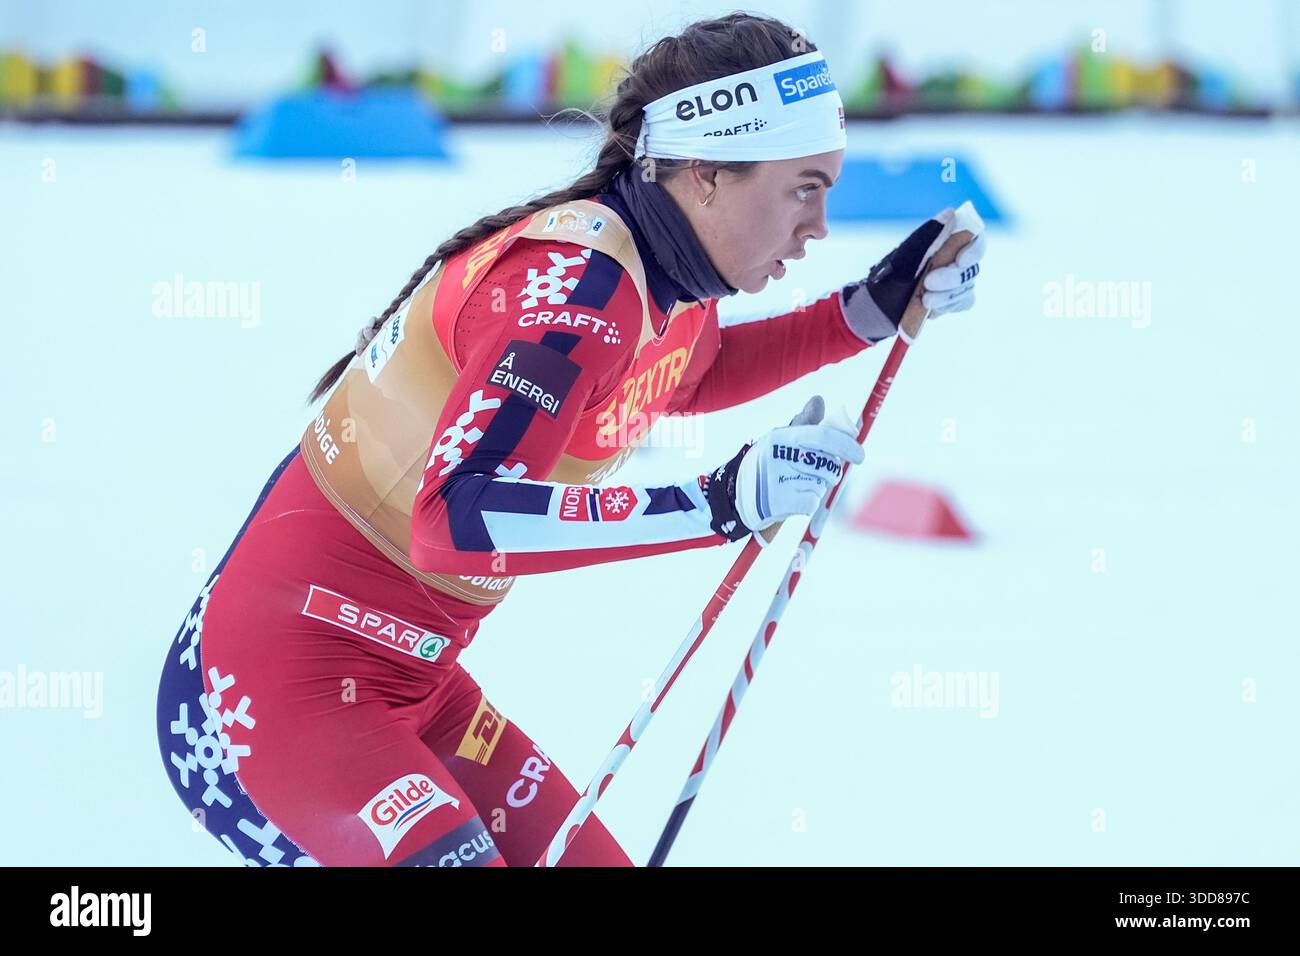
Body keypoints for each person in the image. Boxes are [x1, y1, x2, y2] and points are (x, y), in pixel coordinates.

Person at [155, 12, 986, 867]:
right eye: (803, 187)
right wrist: (721, 502)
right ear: (705, 174)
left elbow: (684, 376)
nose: (818, 225)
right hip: (267, 687)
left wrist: (869, 311)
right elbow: (455, 522)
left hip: (418, 689)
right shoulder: (573, 294)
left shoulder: (661, 281)